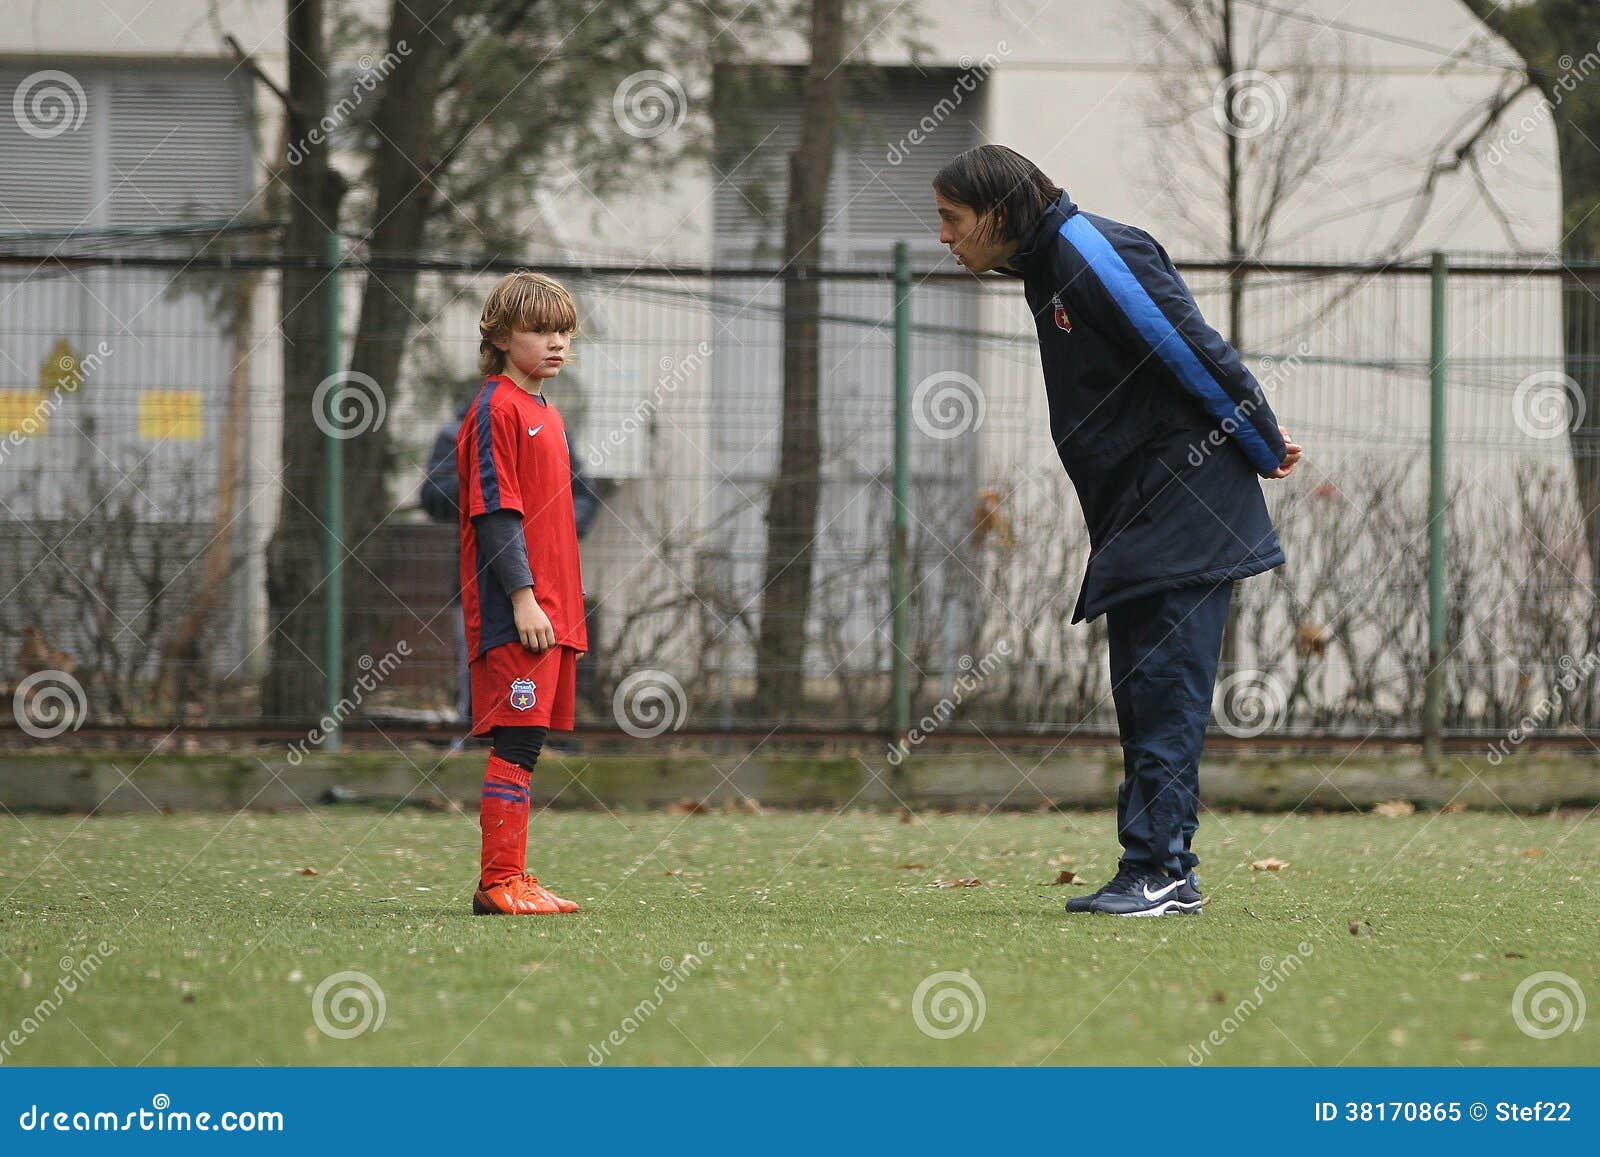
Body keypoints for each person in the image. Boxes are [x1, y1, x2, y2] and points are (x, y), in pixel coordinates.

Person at [932, 144, 1303, 917]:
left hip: (1188, 504)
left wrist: (1262, 438)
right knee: (1140, 695)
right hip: (1139, 512)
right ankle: (1158, 869)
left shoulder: (1091, 250)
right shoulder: (1045, 264)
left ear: (998, 212)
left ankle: (1159, 871)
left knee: (1164, 695)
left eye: (951, 219)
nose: (944, 237)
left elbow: (1192, 348)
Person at [455, 270, 589, 916]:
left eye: (564, 331)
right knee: (516, 740)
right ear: (503, 337)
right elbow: (495, 513)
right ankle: (497, 882)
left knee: (529, 742)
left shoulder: (547, 413)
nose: (556, 343)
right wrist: (523, 597)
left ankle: (514, 876)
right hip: (520, 612)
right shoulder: (495, 409)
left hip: (554, 612)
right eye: (540, 330)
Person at [421, 391, 599, 727]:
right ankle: (470, 743)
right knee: (487, 700)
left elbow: (584, 495)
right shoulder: (461, 428)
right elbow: (432, 494)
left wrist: (546, 524)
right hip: (485, 584)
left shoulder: (551, 423)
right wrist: (488, 479)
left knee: (537, 715)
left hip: (550, 586)